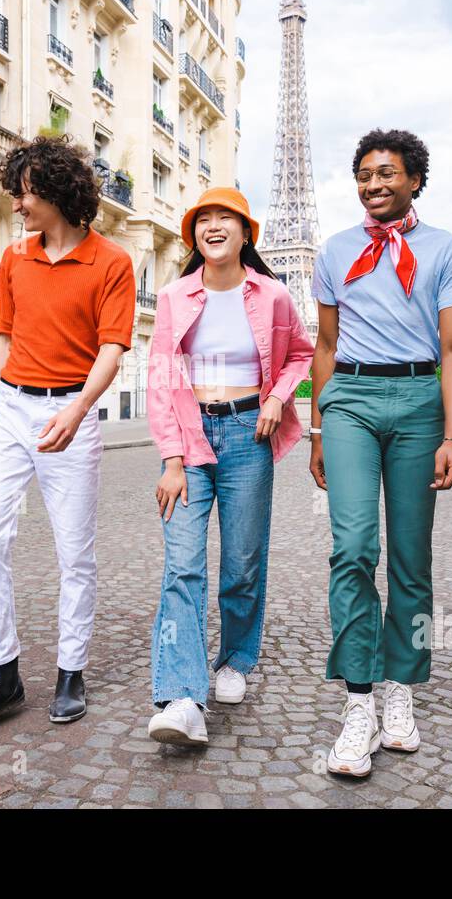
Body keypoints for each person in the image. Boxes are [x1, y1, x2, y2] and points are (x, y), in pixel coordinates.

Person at [0, 135, 136, 736]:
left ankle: (70, 670)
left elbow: (111, 350)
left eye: (25, 192)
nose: (17, 204)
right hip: (11, 410)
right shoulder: (13, 258)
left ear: (57, 191)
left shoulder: (112, 262)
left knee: (73, 553)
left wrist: (78, 412)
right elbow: (3, 339)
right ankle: (3, 673)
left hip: (70, 415)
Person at [308, 129, 452, 776]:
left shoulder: (444, 250)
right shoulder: (334, 251)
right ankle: (358, 705)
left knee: (411, 557)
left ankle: (400, 693)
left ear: (414, 180)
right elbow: (324, 346)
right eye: (363, 174)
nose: (373, 184)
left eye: (386, 173)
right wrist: (319, 430)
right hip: (348, 395)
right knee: (352, 547)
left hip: (416, 401)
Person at [144, 188, 315, 747]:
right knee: (182, 566)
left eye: (226, 219)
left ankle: (235, 660)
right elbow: (163, 378)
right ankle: (182, 697)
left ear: (246, 233)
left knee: (242, 562)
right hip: (191, 439)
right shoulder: (172, 297)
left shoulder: (273, 296)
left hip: (249, 434)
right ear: (194, 234)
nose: (213, 227)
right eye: (203, 220)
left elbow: (301, 355)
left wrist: (277, 397)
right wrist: (172, 459)